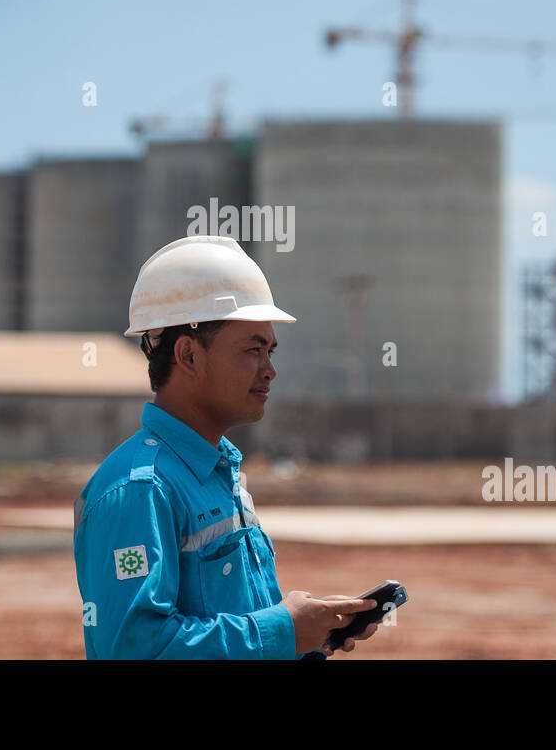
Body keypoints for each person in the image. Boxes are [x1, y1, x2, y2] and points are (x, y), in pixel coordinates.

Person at [73, 234, 382, 659]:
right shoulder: (138, 490)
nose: (270, 370)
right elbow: (136, 651)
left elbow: (236, 624)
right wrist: (282, 630)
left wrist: (307, 639)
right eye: (253, 350)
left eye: (270, 350)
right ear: (189, 356)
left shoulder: (219, 473)